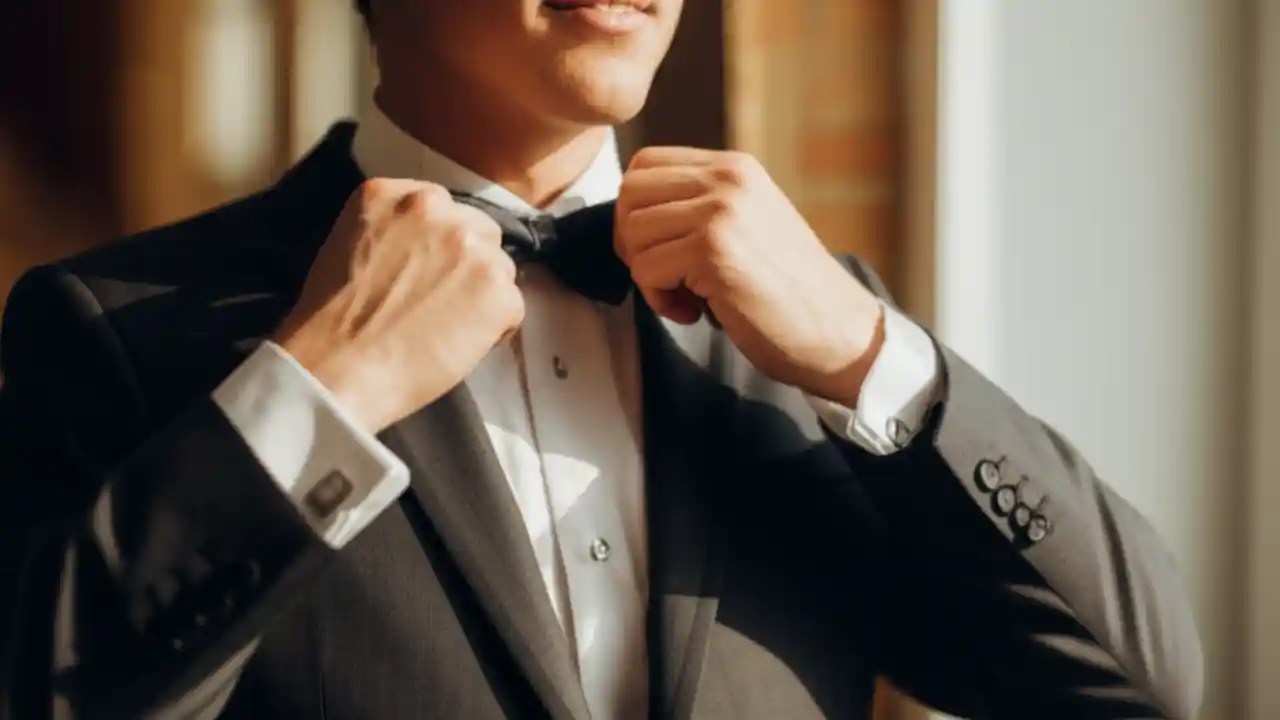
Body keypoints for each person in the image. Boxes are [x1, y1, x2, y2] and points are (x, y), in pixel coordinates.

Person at [0, 0, 1203, 718]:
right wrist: (323, 391)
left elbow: (1134, 691)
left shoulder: (805, 339)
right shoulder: (116, 331)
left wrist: (863, 351)